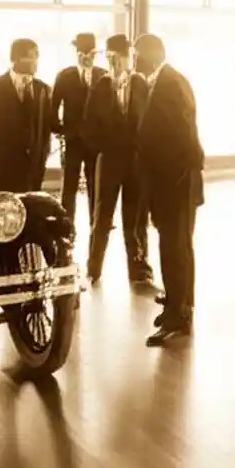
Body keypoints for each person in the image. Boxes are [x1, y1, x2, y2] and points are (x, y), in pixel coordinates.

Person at [134, 33, 204, 346]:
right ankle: (179, 302)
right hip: (169, 181)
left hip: (173, 183)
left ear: (154, 54)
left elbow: (185, 135)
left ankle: (179, 315)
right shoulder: (163, 81)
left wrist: (176, 176)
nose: (135, 60)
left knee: (174, 247)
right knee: (176, 245)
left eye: (138, 54)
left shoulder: (170, 83)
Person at [81, 34, 154, 286]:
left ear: (128, 57)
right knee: (102, 216)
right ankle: (94, 268)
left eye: (120, 58)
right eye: (111, 59)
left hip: (135, 161)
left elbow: (148, 122)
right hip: (110, 160)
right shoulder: (101, 86)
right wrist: (104, 148)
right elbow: (88, 126)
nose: (116, 64)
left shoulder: (141, 84)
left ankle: (138, 268)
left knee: (136, 219)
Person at [0, 38, 54, 192]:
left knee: (33, 208)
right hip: (4, 164)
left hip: (35, 165)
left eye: (37, 56)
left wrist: (43, 152)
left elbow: (49, 124)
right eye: (33, 56)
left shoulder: (43, 89)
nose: (36, 61)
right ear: (17, 59)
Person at [52, 33, 107, 222]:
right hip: (73, 140)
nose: (86, 57)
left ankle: (96, 221)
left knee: (95, 183)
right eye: (82, 53)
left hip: (95, 142)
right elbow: (53, 106)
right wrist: (60, 130)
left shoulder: (102, 75)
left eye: (90, 53)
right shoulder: (65, 76)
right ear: (76, 53)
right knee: (69, 184)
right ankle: (66, 223)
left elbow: (110, 107)